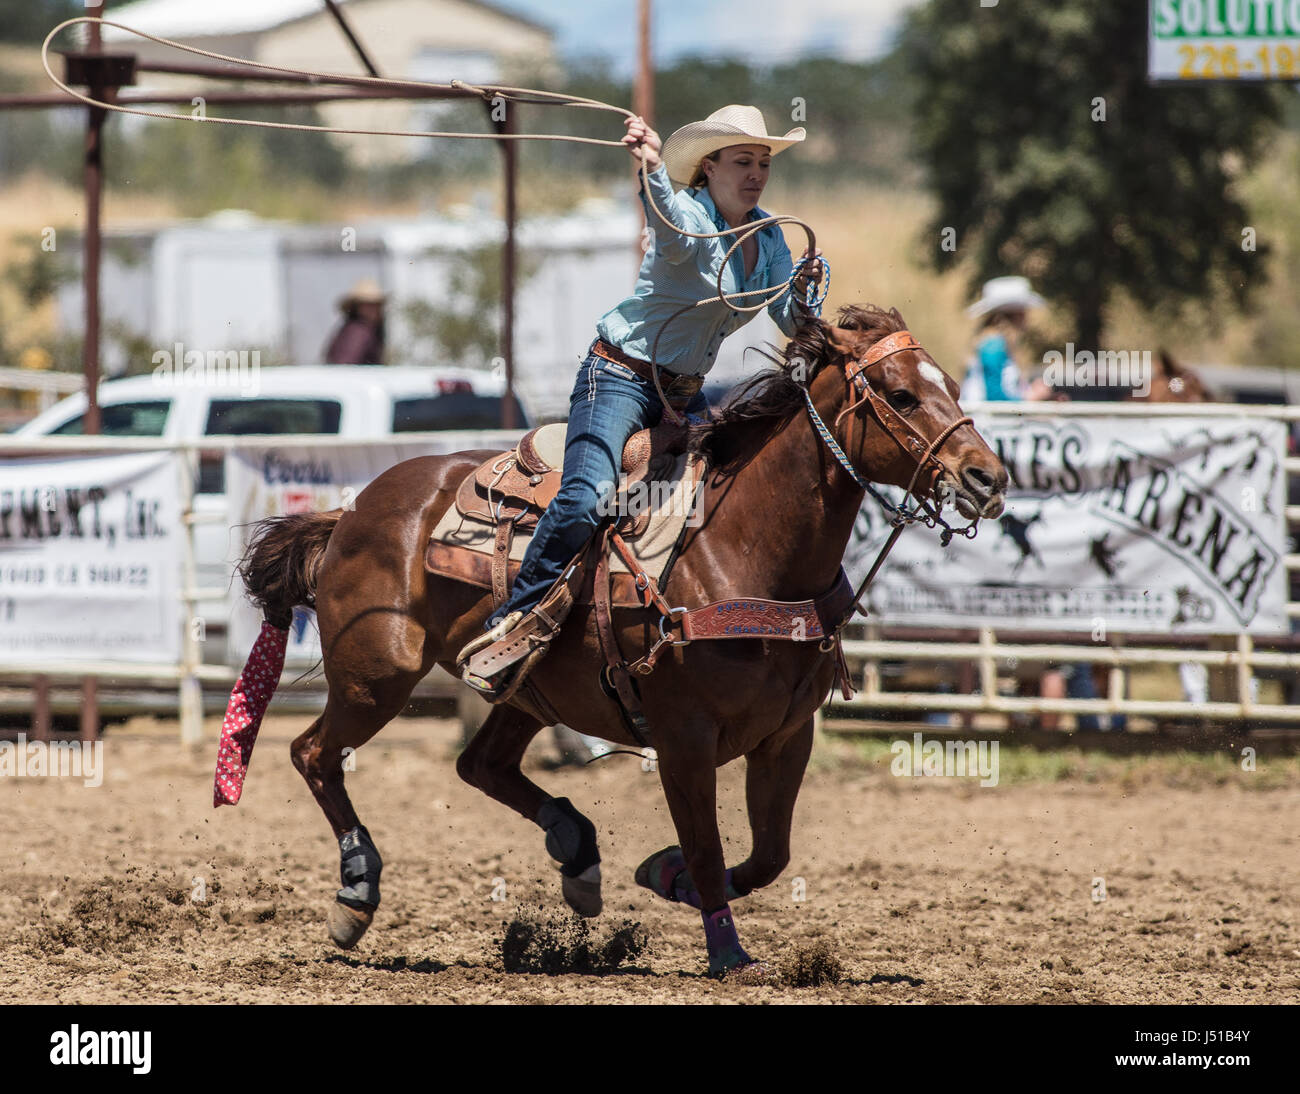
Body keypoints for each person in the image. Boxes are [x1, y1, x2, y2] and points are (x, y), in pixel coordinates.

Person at [457, 104, 823, 697]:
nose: (756, 173)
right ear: (709, 168)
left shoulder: (771, 239)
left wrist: (804, 298)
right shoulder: (686, 217)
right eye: (742, 161)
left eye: (762, 162)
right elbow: (673, 228)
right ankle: (514, 616)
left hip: (683, 395)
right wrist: (651, 167)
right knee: (585, 497)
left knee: (722, 500)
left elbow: (787, 317)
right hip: (619, 380)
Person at [960, 276, 1044, 403]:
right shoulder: (993, 346)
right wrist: (1030, 398)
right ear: (1015, 315)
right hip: (987, 421)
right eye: (1023, 311)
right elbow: (994, 396)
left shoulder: (996, 343)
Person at [324, 279, 386, 364]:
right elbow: (345, 364)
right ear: (357, 307)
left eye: (376, 305)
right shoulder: (358, 331)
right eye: (368, 305)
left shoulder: (364, 329)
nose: (373, 309)